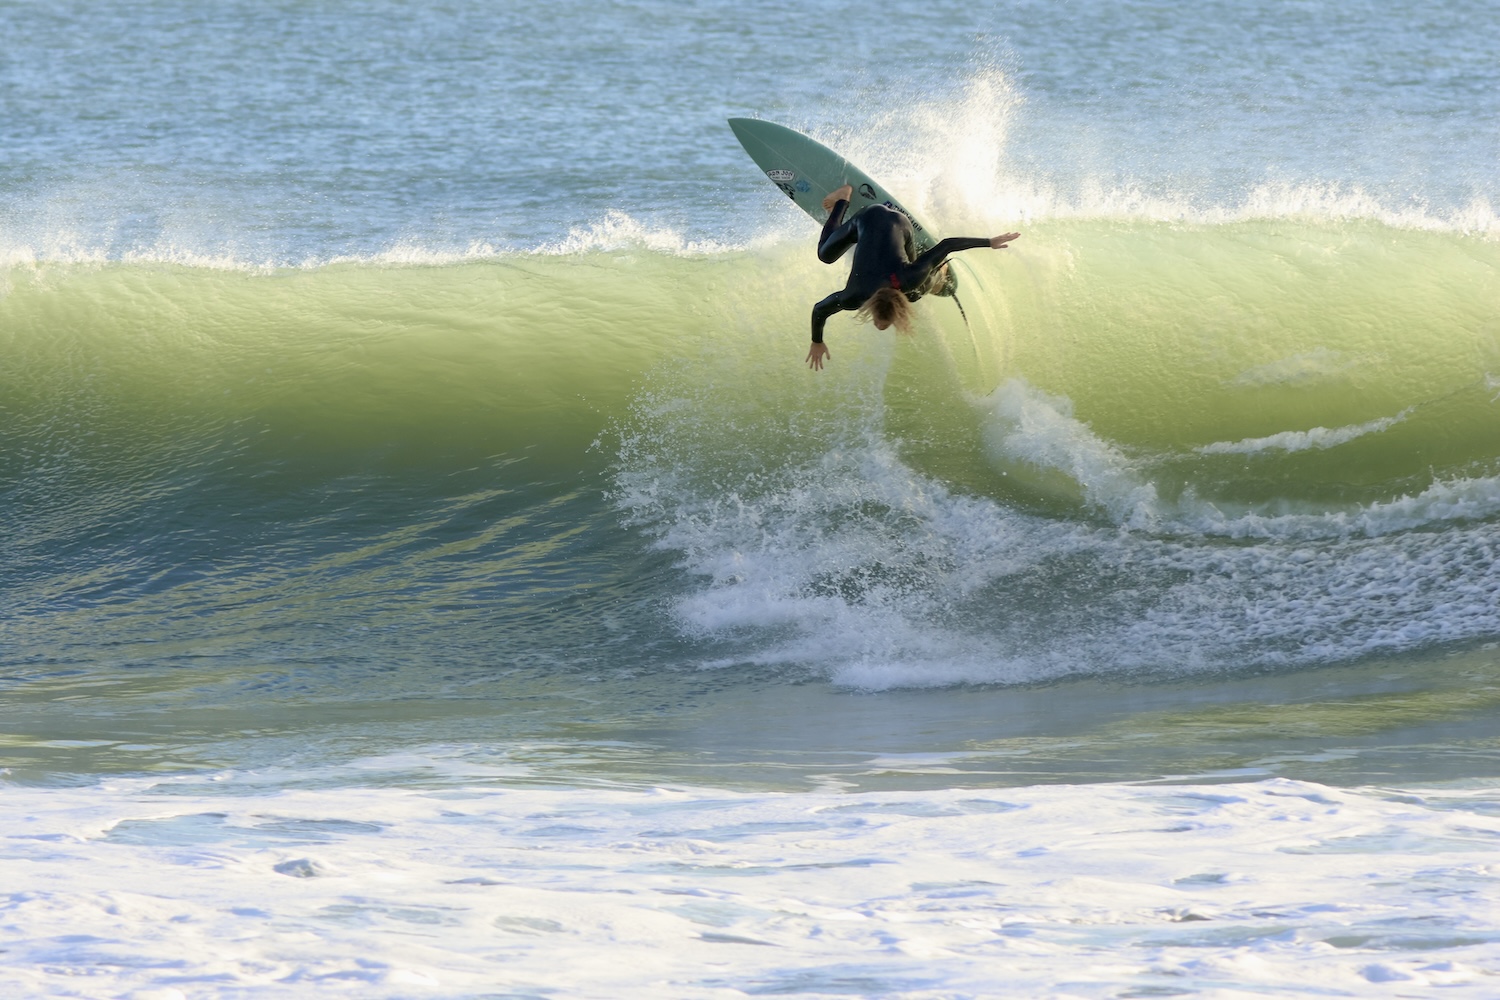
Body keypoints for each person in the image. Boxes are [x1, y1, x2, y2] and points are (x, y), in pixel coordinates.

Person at [805, 184, 1019, 370]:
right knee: (825, 255)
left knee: (916, 286)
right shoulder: (859, 294)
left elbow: (947, 245)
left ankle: (841, 201)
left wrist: (989, 242)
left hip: (892, 221)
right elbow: (819, 309)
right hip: (883, 220)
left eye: (881, 323)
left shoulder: (894, 283)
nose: (880, 326)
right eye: (883, 323)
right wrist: (817, 341)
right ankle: (842, 198)